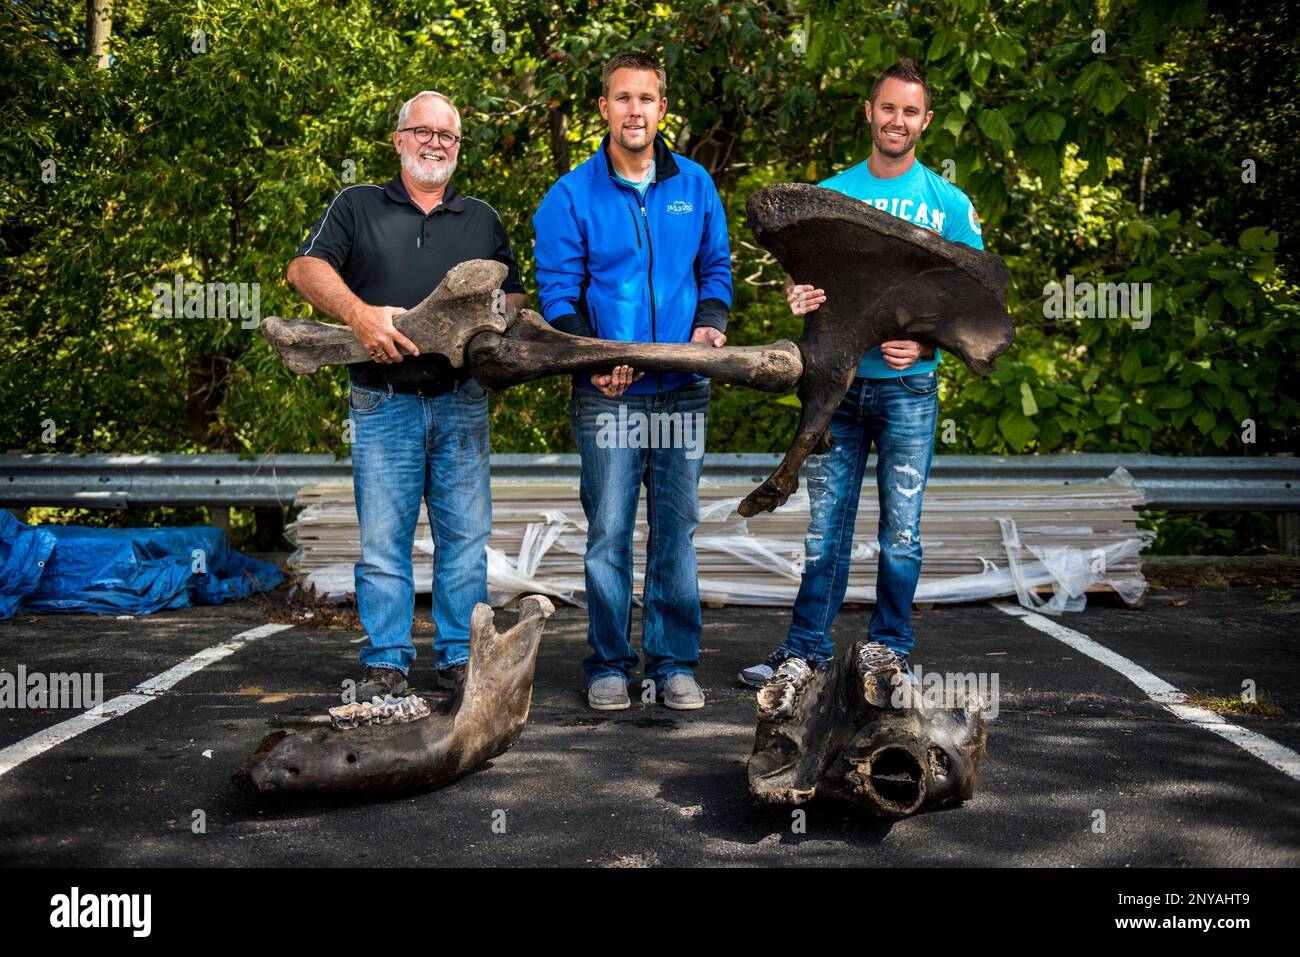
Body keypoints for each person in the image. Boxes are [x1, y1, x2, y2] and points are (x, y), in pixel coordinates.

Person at [738, 58, 985, 689]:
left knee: (901, 533)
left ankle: (889, 650)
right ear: (869, 112)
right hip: (837, 391)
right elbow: (808, 282)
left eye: (909, 111)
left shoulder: (949, 205)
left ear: (925, 121)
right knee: (826, 531)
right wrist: (798, 298)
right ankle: (805, 651)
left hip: (909, 391)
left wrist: (926, 346)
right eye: (887, 108)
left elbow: (975, 300)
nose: (896, 120)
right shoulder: (829, 198)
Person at [286, 90, 526, 701]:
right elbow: (304, 270)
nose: (435, 143)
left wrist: (491, 333)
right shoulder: (358, 205)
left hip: (461, 401)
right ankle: (386, 661)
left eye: (448, 135)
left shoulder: (481, 219)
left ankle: (457, 657)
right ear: (399, 140)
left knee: (465, 540)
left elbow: (514, 299)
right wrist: (361, 316)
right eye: (423, 132)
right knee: (383, 542)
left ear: (458, 146)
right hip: (382, 400)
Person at [532, 52, 734, 711]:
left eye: (646, 98)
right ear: (604, 109)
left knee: (676, 531)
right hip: (607, 395)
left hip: (682, 388)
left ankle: (674, 663)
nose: (635, 110)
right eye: (622, 98)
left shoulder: (696, 186)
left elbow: (716, 272)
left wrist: (708, 327)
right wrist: (593, 355)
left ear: (662, 109)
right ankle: (608, 664)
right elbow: (559, 294)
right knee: (610, 530)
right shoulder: (570, 195)